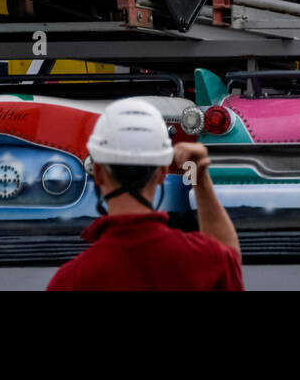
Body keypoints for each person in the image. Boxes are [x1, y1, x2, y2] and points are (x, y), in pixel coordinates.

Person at [47, 99, 243, 291]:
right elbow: (228, 260)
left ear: (97, 173)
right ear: (163, 173)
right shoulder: (206, 261)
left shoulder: (70, 280)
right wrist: (198, 176)